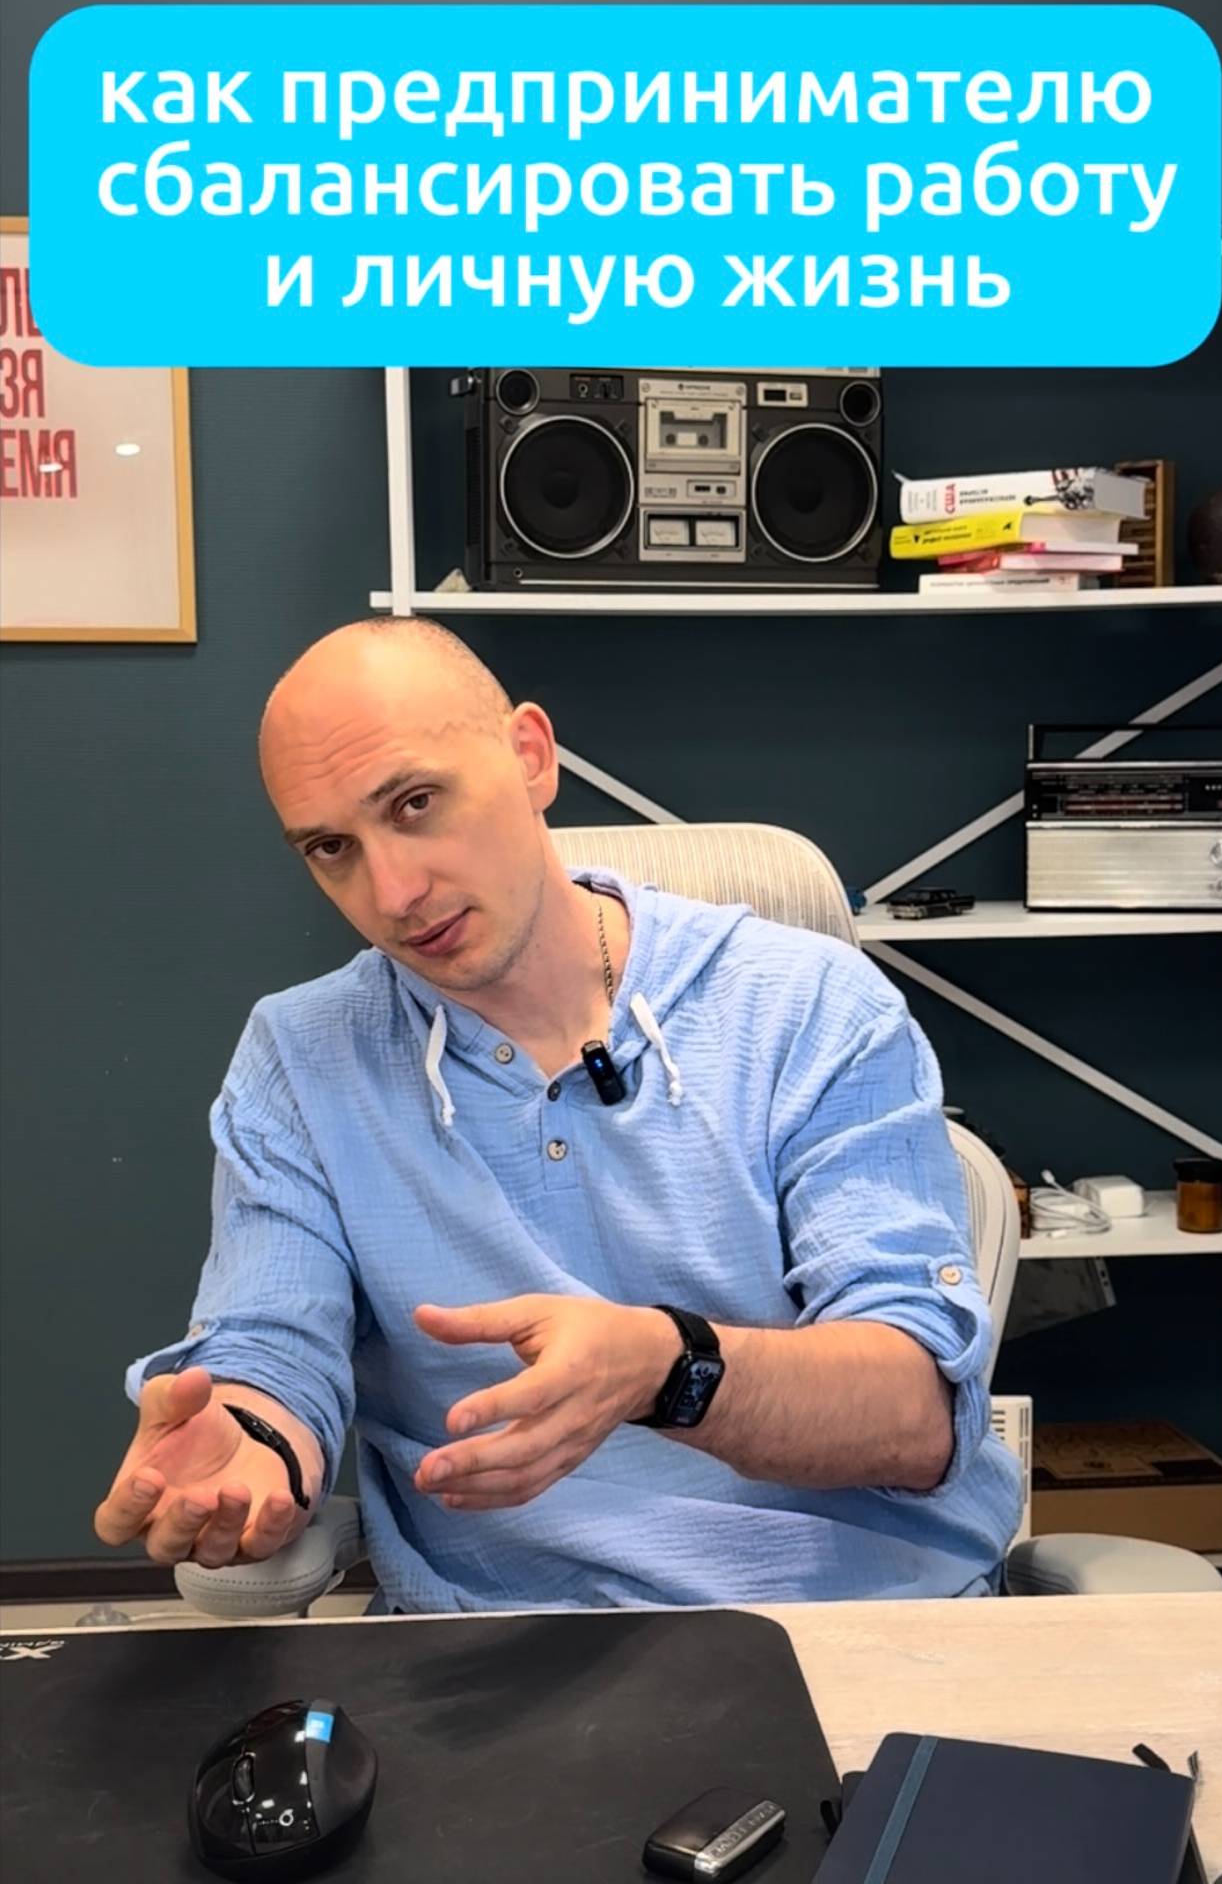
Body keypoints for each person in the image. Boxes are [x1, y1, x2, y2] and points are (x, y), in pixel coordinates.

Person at [96, 620, 1021, 1610]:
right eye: (332, 848)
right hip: (500, 1649)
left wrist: (668, 1370)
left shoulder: (805, 1004)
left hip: (852, 1623)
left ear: (531, 756)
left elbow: (916, 1414)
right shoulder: (303, 1056)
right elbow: (272, 1341)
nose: (393, 893)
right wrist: (255, 1438)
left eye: (415, 804)